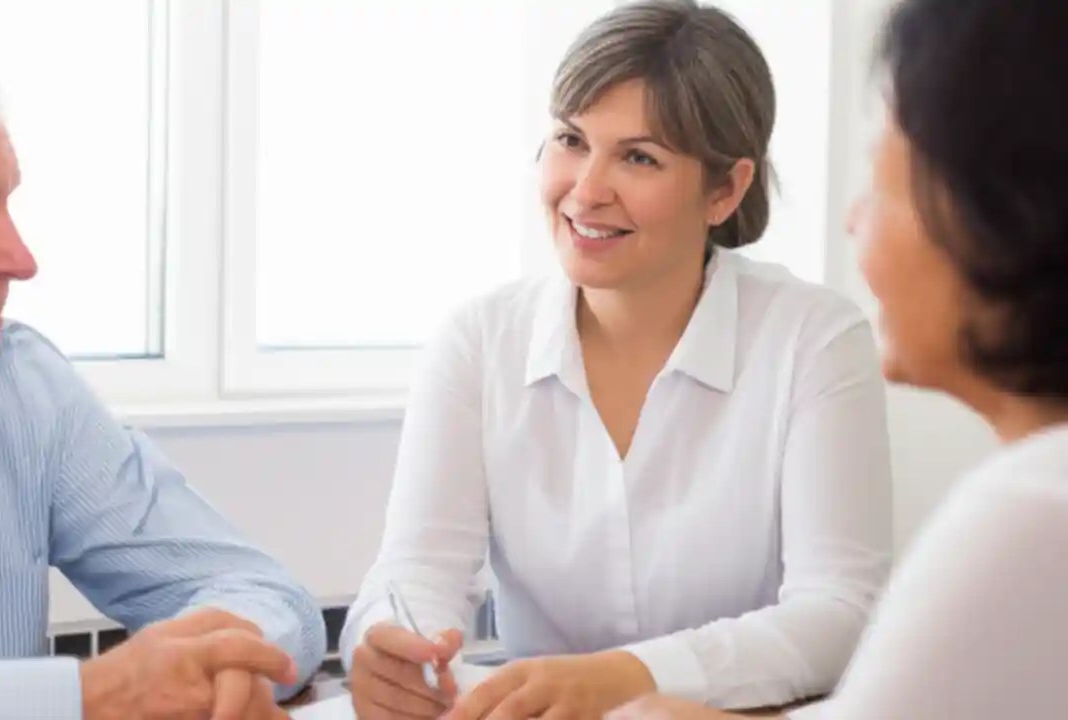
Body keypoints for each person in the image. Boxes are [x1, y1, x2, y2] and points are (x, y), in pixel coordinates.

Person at [340, 1, 893, 717]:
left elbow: (842, 613)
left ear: (725, 189)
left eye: (639, 157)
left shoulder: (814, 338)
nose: (586, 189)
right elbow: (415, 568)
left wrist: (629, 676)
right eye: (571, 140)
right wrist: (390, 643)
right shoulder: (476, 341)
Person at [0, 19, 323, 720]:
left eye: (6, 203)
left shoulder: (20, 385)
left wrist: (220, 664)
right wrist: (88, 695)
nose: (19, 257)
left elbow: (262, 592)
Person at [612, 1, 1068, 719]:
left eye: (886, 178)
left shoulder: (1033, 513)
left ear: (1005, 211)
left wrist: (641, 697)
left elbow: (843, 627)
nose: (855, 218)